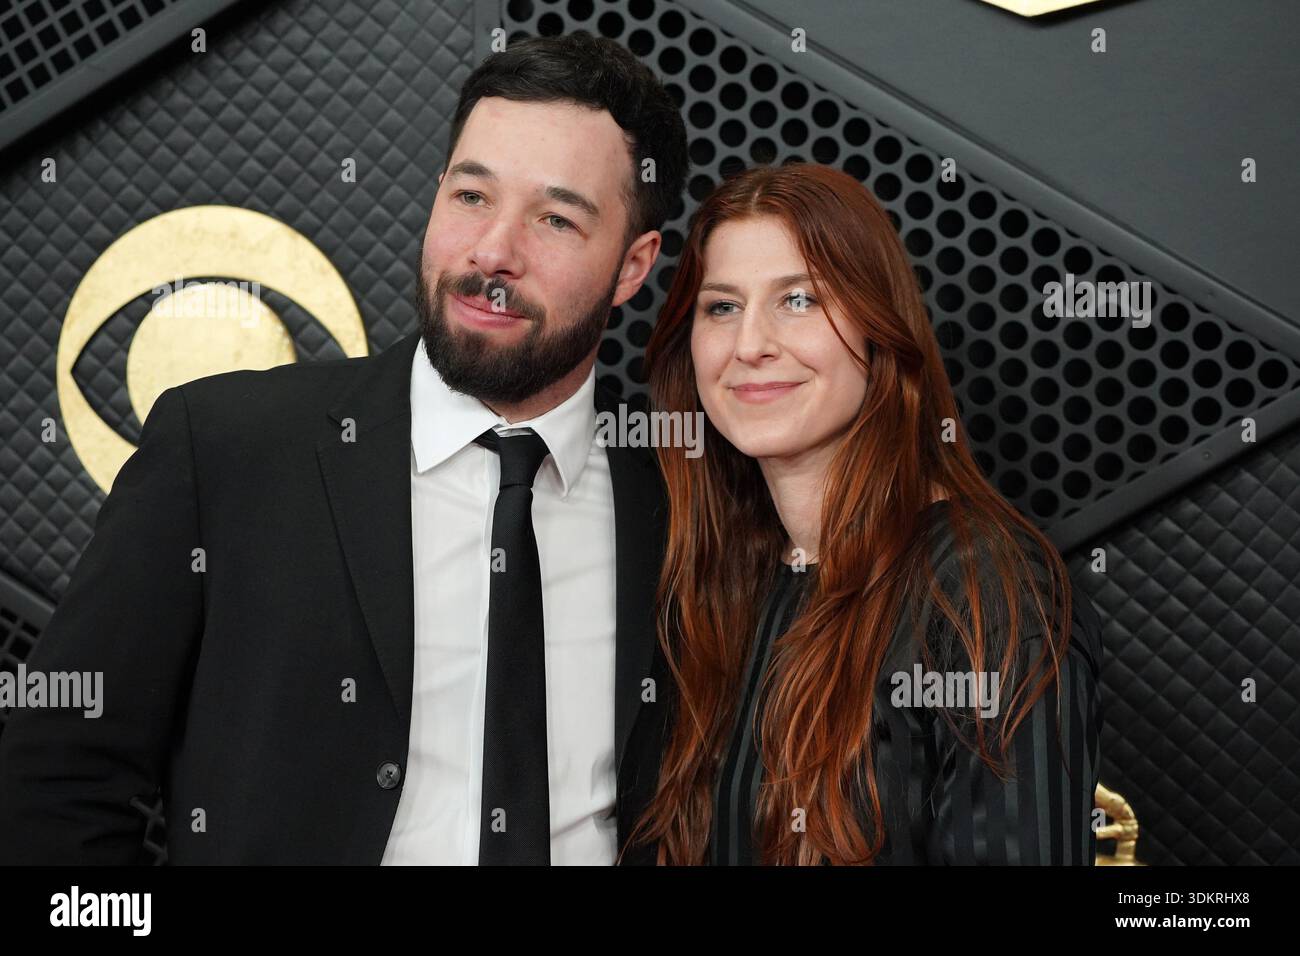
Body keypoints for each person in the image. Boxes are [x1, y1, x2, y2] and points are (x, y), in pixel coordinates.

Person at [0, 32, 688, 865]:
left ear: (632, 265)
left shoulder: (684, 496)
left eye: (554, 217)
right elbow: (52, 789)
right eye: (471, 197)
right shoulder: (223, 449)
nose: (493, 253)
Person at [625, 162, 1104, 865]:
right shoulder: (724, 579)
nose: (750, 344)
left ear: (879, 326)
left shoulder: (987, 590)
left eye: (799, 301)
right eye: (722, 306)